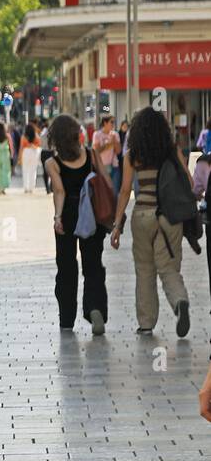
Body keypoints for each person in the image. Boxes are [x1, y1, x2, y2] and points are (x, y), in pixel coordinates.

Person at [110, 107, 194, 337]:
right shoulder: (172, 151)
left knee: (144, 270)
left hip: (142, 216)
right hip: (168, 217)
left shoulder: (132, 155)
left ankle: (146, 323)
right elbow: (188, 180)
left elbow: (125, 191)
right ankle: (180, 302)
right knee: (168, 268)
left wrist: (117, 225)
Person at [45, 114, 108, 335]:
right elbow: (105, 180)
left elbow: (59, 191)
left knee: (66, 267)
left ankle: (66, 318)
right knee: (93, 265)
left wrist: (57, 218)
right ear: (75, 135)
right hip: (91, 214)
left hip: (69, 215)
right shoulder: (91, 154)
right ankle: (95, 308)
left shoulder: (52, 162)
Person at [92, 116, 122, 197]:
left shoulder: (115, 134)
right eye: (111, 122)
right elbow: (96, 151)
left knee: (114, 193)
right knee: (102, 193)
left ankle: (114, 209)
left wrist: (114, 141)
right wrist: (108, 144)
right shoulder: (97, 134)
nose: (113, 124)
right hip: (101, 167)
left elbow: (118, 151)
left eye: (114, 122)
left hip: (114, 166)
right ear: (105, 123)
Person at [20, 121, 42, 193]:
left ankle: (26, 188)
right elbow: (39, 144)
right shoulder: (36, 136)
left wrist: (20, 158)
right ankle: (31, 187)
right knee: (33, 171)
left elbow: (21, 147)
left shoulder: (24, 137)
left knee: (25, 170)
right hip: (33, 152)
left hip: (26, 152)